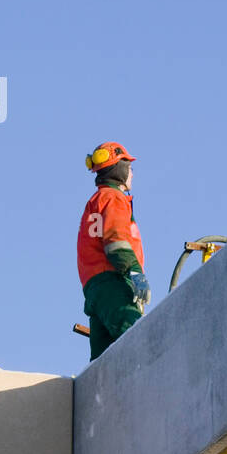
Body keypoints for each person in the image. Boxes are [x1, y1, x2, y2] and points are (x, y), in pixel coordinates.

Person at [77, 141, 150, 361]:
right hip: (114, 285)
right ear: (119, 170)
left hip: (95, 292)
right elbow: (116, 243)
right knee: (139, 344)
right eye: (129, 167)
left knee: (103, 365)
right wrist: (135, 273)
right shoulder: (113, 198)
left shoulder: (96, 201)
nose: (132, 174)